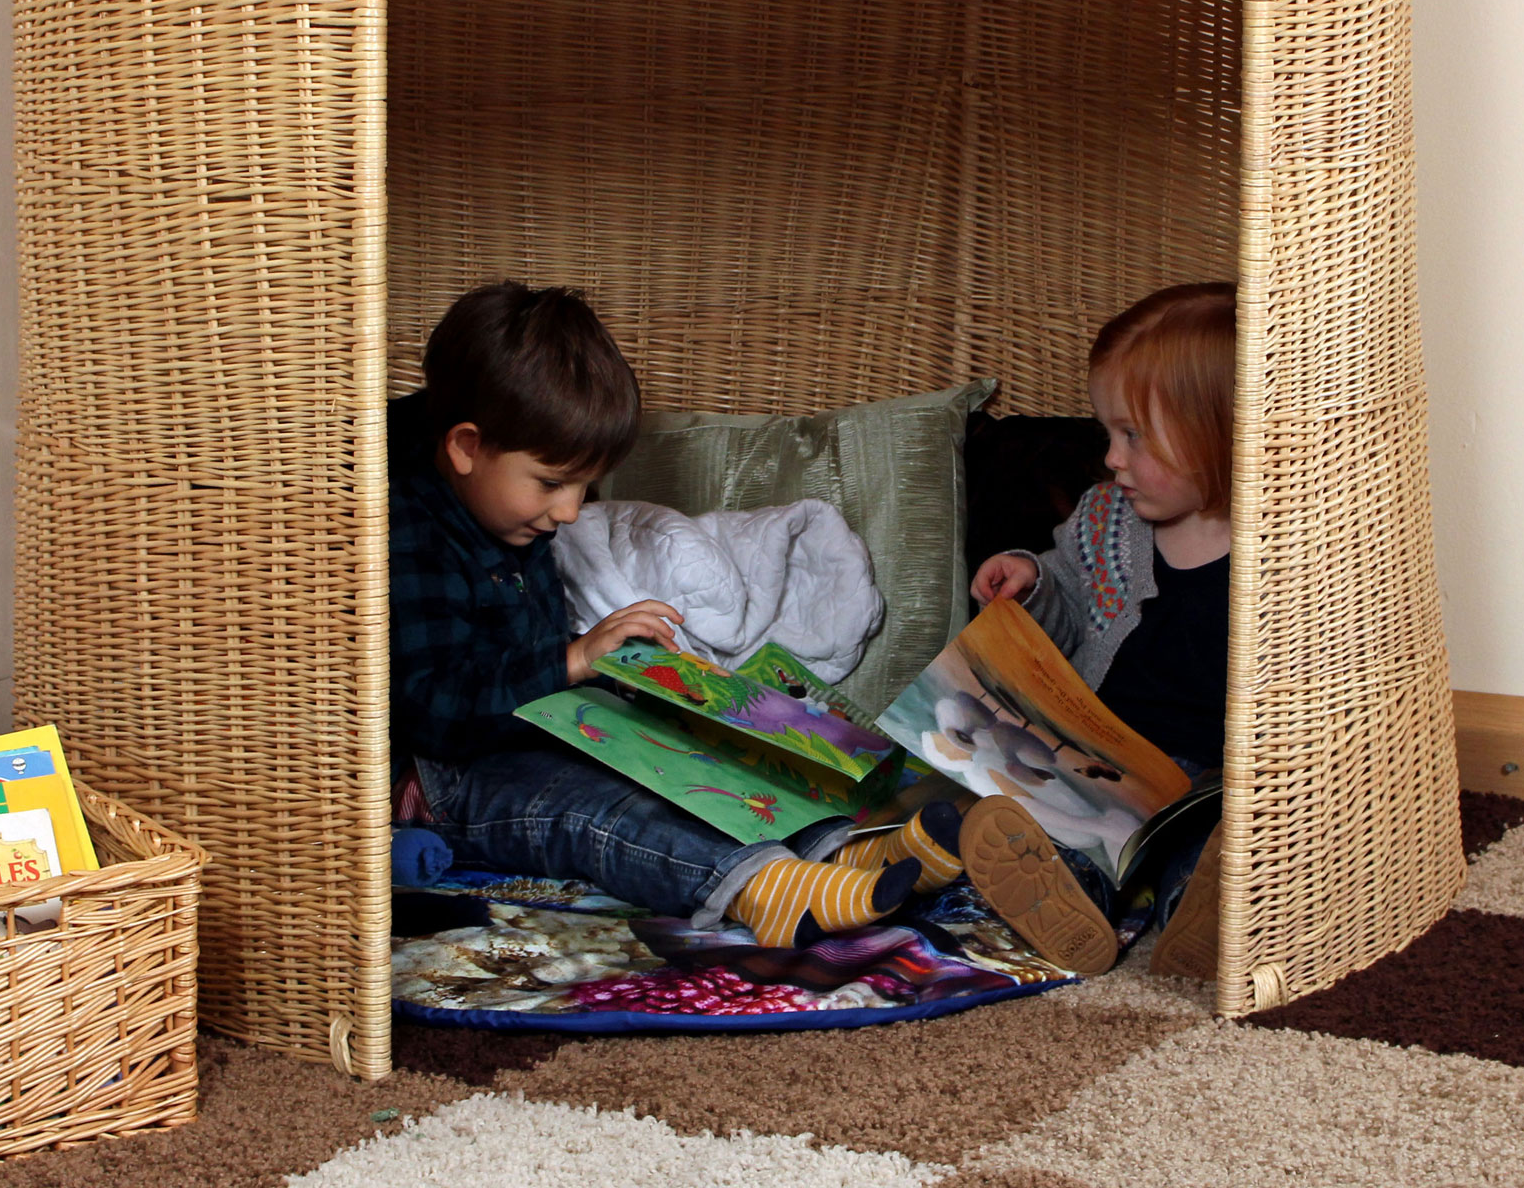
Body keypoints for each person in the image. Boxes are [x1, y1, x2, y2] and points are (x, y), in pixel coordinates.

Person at [388, 281, 929, 949]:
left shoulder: (509, 503)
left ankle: (844, 848)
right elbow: (431, 705)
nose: (569, 512)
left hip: (534, 727)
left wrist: (632, 677)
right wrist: (573, 658)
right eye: (554, 483)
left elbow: (528, 654)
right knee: (593, 808)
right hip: (442, 778)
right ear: (465, 446)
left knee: (676, 754)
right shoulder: (404, 521)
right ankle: (763, 888)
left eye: (585, 486)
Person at [957, 282, 1236, 978]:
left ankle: (1209, 918)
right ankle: (1062, 908)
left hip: (1222, 779)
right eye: (1109, 433)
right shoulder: (1107, 519)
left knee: (1216, 846)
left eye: (1134, 436)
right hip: (1108, 766)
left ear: (1224, 428)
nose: (1112, 457)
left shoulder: (1288, 543)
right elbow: (1073, 599)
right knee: (1067, 835)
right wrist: (1031, 579)